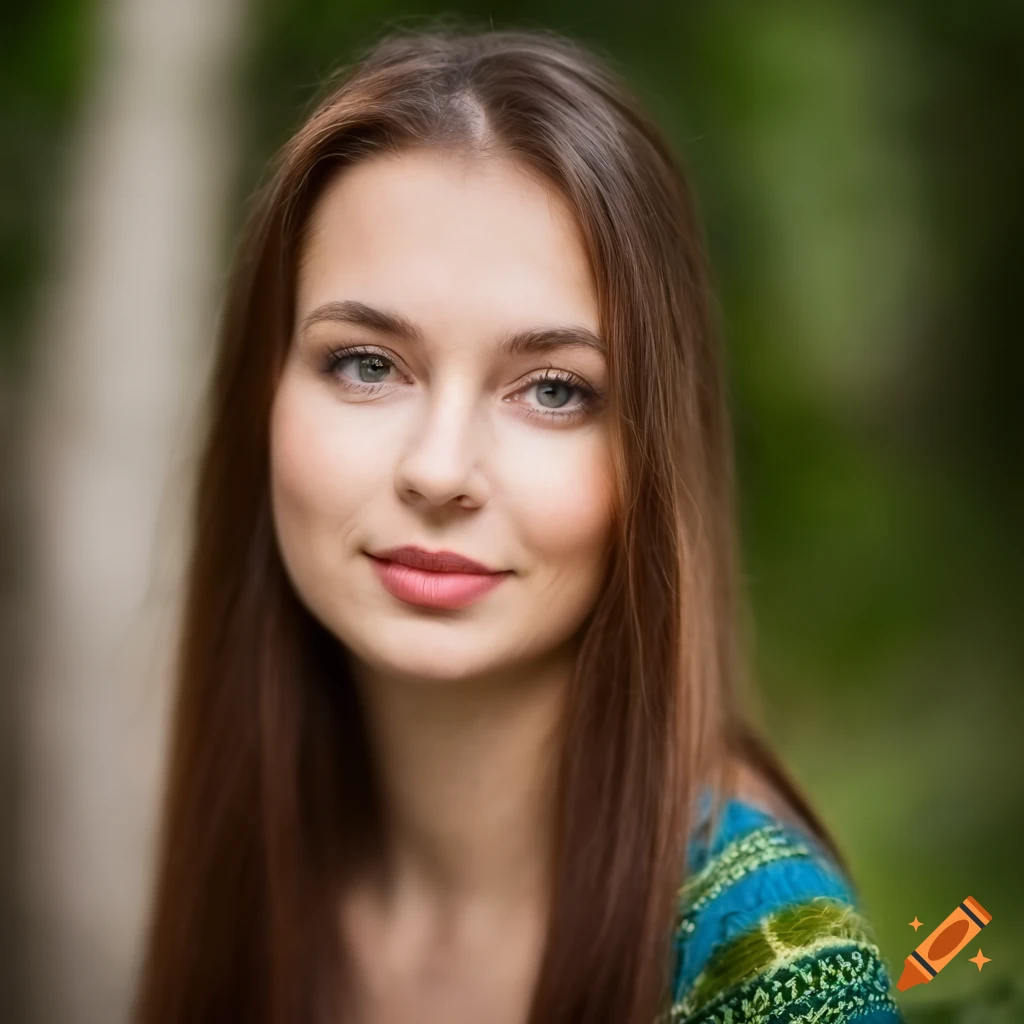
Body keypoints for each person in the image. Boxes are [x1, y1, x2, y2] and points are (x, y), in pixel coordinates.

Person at [133, 23, 906, 1024]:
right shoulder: (267, 862)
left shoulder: (766, 960)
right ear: (261, 395)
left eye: (550, 389)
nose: (440, 470)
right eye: (366, 363)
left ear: (651, 456)